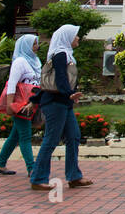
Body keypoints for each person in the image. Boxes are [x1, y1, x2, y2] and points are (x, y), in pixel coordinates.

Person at [29, 24, 93, 192]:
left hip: (64, 103)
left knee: (73, 136)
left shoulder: (66, 54)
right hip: (56, 103)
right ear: (67, 38)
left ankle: (74, 176)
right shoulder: (60, 54)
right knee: (51, 140)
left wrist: (69, 95)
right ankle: (38, 178)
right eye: (75, 35)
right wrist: (69, 93)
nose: (78, 38)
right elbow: (61, 79)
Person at [0, 33, 41, 177]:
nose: (37, 47)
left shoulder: (35, 61)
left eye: (36, 43)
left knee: (15, 136)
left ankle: (0, 164)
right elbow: (12, 84)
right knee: (25, 136)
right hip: (20, 103)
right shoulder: (20, 62)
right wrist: (10, 105)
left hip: (31, 102)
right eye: (34, 44)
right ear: (25, 46)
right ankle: (31, 168)